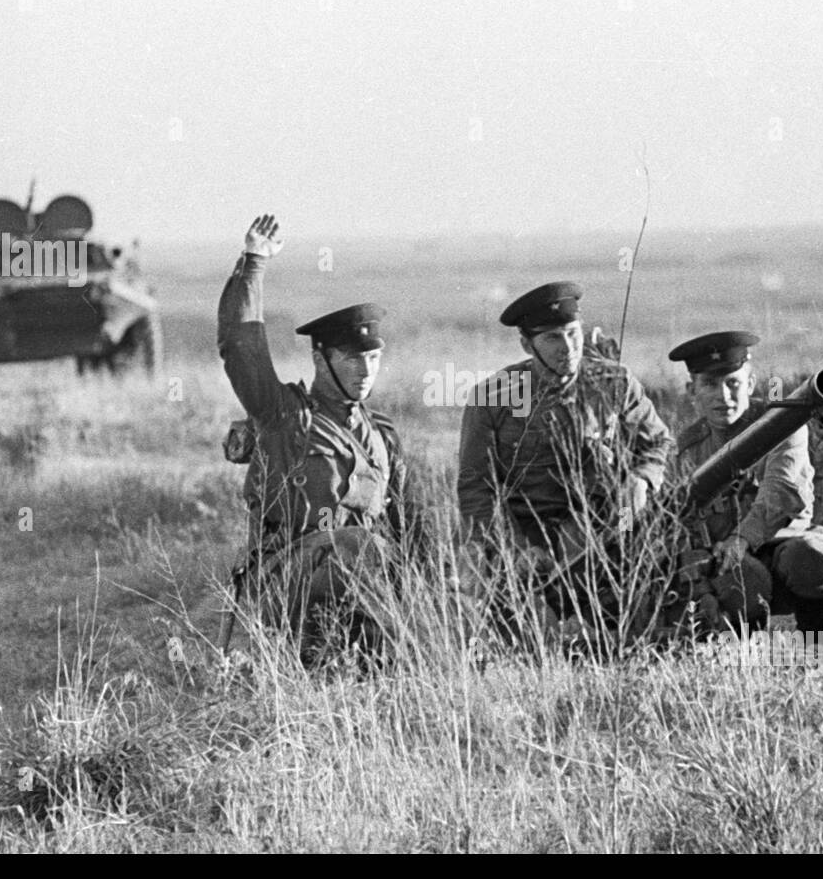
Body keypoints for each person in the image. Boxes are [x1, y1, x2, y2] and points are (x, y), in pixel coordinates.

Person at [216, 213, 415, 662]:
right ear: (321, 360)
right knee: (355, 544)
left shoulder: (381, 433)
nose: (366, 371)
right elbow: (240, 346)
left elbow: (406, 523)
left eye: (374, 358)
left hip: (364, 582)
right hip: (285, 579)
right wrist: (254, 263)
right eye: (351, 359)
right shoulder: (283, 414)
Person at [456, 281, 673, 638]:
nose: (568, 348)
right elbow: (475, 488)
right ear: (528, 345)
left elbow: (658, 442)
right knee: (521, 629)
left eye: (573, 334)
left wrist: (642, 479)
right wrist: (513, 549)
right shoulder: (495, 397)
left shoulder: (614, 383)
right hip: (524, 533)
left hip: (601, 529)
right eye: (553, 339)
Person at [668, 331, 823, 669]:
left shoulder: (780, 424)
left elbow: (783, 489)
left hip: (781, 546)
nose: (723, 396)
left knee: (813, 558)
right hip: (730, 566)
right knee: (744, 579)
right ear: (692, 393)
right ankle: (749, 662)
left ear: (751, 382)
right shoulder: (686, 450)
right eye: (710, 385)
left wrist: (743, 538)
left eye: (733, 383)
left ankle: (820, 650)